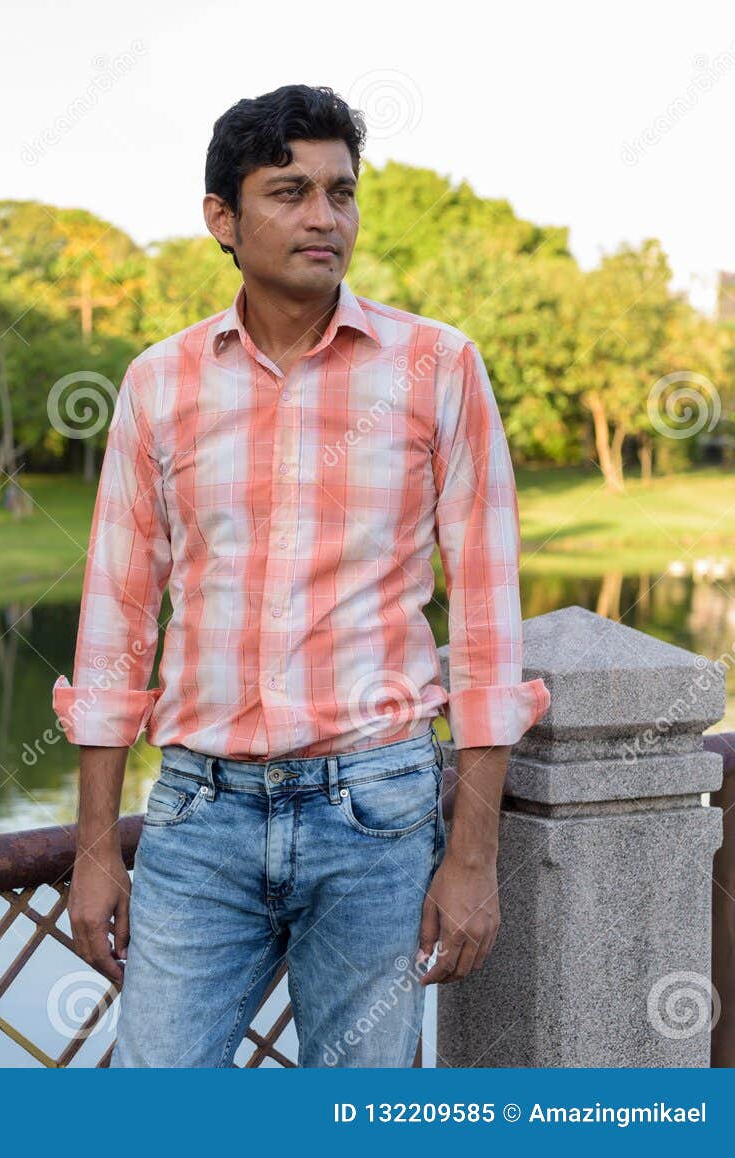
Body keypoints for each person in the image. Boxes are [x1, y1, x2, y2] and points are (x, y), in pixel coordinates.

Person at [53, 85, 551, 1067]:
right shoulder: (159, 383)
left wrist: (473, 856)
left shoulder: (438, 368)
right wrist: (95, 847)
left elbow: (488, 628)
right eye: (288, 191)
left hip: (377, 808)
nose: (324, 218)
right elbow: (116, 621)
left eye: (341, 191)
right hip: (199, 816)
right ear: (222, 220)